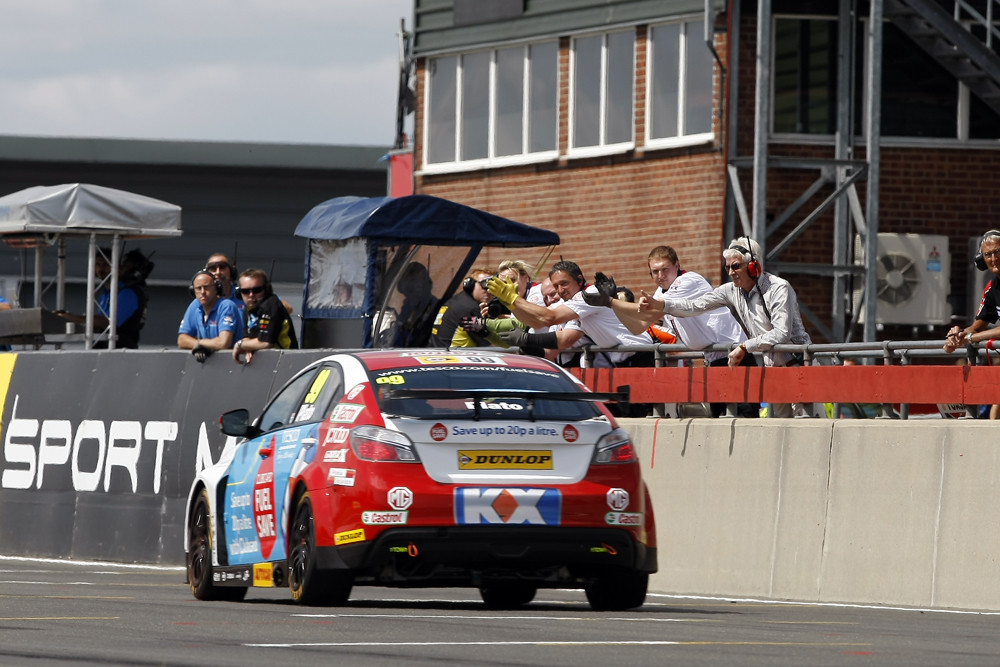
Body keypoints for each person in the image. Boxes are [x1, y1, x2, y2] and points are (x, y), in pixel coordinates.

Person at [633, 238, 814, 418]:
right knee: (780, 427)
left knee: (807, 424)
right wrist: (660, 305)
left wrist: (745, 346)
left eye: (736, 266)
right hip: (773, 368)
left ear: (754, 266)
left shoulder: (779, 287)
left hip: (799, 364)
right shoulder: (731, 290)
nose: (731, 272)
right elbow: (695, 306)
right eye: (727, 268)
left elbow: (781, 333)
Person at [592, 245, 757, 418]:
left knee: (745, 419)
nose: (660, 276)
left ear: (677, 266)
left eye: (665, 269)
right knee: (720, 420)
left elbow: (648, 311)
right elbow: (637, 327)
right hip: (714, 359)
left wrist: (610, 301)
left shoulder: (688, 281)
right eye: (655, 271)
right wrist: (612, 304)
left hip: (735, 355)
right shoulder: (660, 292)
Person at [486, 259, 654, 368]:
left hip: (642, 354)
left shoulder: (590, 294)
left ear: (579, 280)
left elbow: (549, 318)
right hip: (624, 360)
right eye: (556, 286)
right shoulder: (574, 306)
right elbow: (556, 339)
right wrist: (512, 308)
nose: (560, 290)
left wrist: (513, 299)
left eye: (564, 283)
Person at [944, 229, 1000, 419]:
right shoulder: (991, 288)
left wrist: (971, 338)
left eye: (997, 252)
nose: (993, 259)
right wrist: (958, 335)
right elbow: (976, 327)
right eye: (988, 254)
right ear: (981, 259)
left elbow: (975, 335)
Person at [53, 246, 153, 349]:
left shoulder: (127, 293)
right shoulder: (107, 294)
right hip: (106, 347)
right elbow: (99, 324)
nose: (101, 269)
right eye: (97, 264)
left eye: (106, 264)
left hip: (120, 349)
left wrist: (73, 318)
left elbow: (108, 322)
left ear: (118, 267)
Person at [232, 268, 298, 364]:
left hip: (285, 360)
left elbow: (265, 343)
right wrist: (247, 347)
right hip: (267, 362)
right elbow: (247, 336)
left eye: (257, 290)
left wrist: (239, 345)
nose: (251, 295)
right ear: (239, 293)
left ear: (266, 289)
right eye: (246, 291)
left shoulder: (271, 304)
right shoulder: (248, 309)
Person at [178, 269, 243, 361]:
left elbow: (223, 343)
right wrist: (200, 345)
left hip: (233, 362)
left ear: (216, 288)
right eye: (198, 288)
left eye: (206, 287)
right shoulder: (196, 305)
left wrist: (200, 344)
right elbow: (181, 340)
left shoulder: (226, 305)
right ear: (193, 291)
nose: (203, 292)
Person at [429, 267, 491, 347]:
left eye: (492, 286)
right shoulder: (470, 308)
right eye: (484, 284)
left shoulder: (457, 300)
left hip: (438, 350)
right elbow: (486, 341)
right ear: (471, 285)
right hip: (452, 353)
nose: (488, 290)